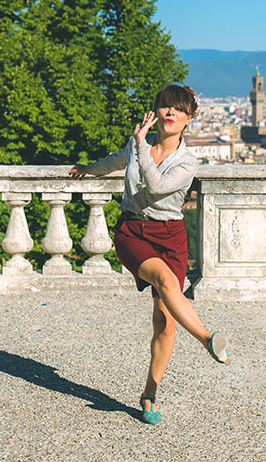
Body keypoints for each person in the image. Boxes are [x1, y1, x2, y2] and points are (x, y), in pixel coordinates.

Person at [68, 84, 230, 425]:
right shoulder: (138, 144)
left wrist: (141, 146)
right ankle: (206, 338)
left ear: (188, 118)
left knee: (165, 323)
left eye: (178, 109)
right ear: (157, 112)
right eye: (165, 107)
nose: (170, 113)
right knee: (165, 279)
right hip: (133, 232)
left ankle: (149, 394)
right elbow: (117, 161)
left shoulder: (187, 162)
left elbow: (156, 186)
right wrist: (90, 168)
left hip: (170, 236)